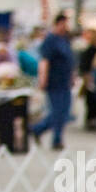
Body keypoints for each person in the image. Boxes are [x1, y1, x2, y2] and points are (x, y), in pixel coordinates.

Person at [30, 13, 75, 150]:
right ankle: (56, 139)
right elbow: (45, 61)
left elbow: (70, 61)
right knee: (56, 111)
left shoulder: (65, 39)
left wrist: (72, 77)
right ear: (57, 24)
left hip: (65, 81)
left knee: (65, 112)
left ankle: (37, 129)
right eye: (63, 24)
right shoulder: (50, 40)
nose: (65, 27)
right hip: (54, 81)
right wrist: (43, 79)